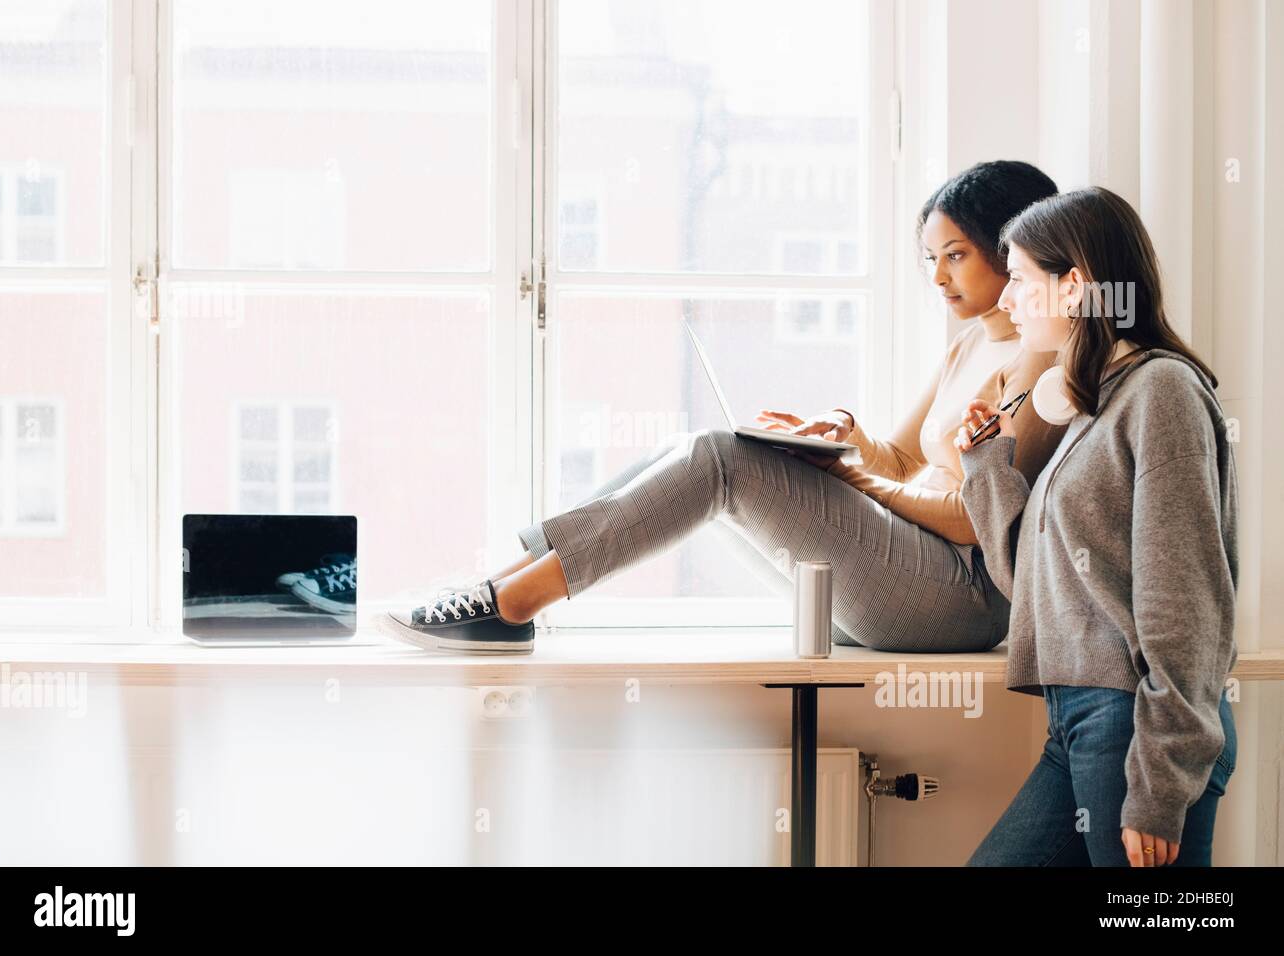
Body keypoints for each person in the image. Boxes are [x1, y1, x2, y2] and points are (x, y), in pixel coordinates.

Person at [380, 160, 1067, 655]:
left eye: (956, 255)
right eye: (930, 259)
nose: (940, 276)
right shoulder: (969, 347)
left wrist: (854, 479)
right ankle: (502, 581)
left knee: (720, 462)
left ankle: (512, 608)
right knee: (703, 449)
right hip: (909, 577)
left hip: (959, 599)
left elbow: (984, 523)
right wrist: (843, 439)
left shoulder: (1037, 363)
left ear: (1015, 250)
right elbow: (906, 459)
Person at [955, 186, 1238, 867]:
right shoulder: (1097, 407)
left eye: (1020, 279)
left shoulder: (1160, 391)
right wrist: (986, 468)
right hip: (1078, 721)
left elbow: (1186, 602)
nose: (1006, 300)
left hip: (1135, 727)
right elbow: (1034, 584)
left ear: (1075, 286)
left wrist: (1160, 784)